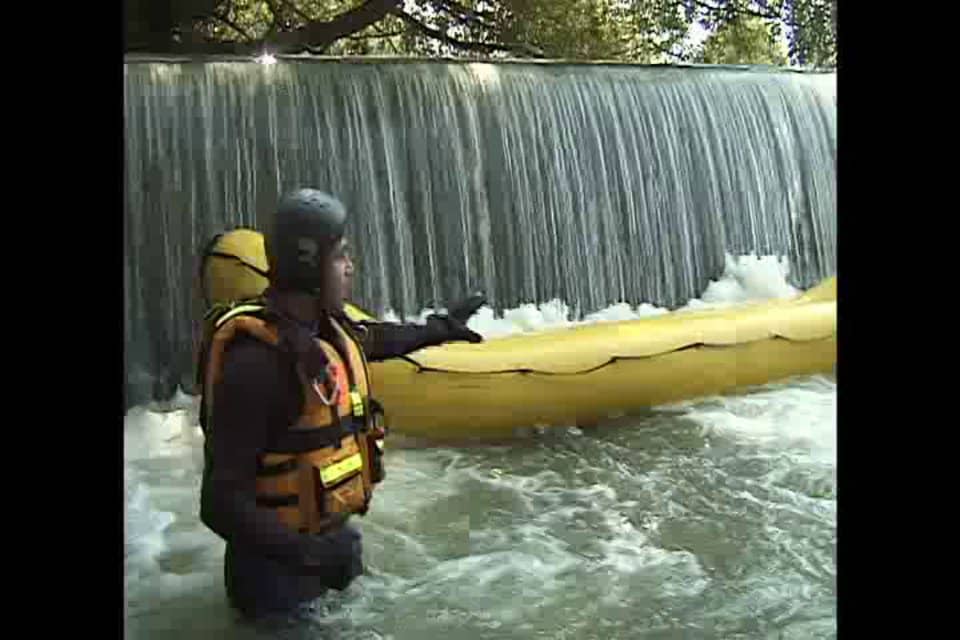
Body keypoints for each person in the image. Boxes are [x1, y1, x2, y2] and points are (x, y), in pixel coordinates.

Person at [198, 189, 437, 620]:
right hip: (274, 584)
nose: (350, 268)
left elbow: (377, 340)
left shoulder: (325, 331)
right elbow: (219, 503)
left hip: (324, 554)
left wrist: (441, 329)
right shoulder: (254, 366)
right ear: (309, 265)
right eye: (340, 257)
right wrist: (312, 555)